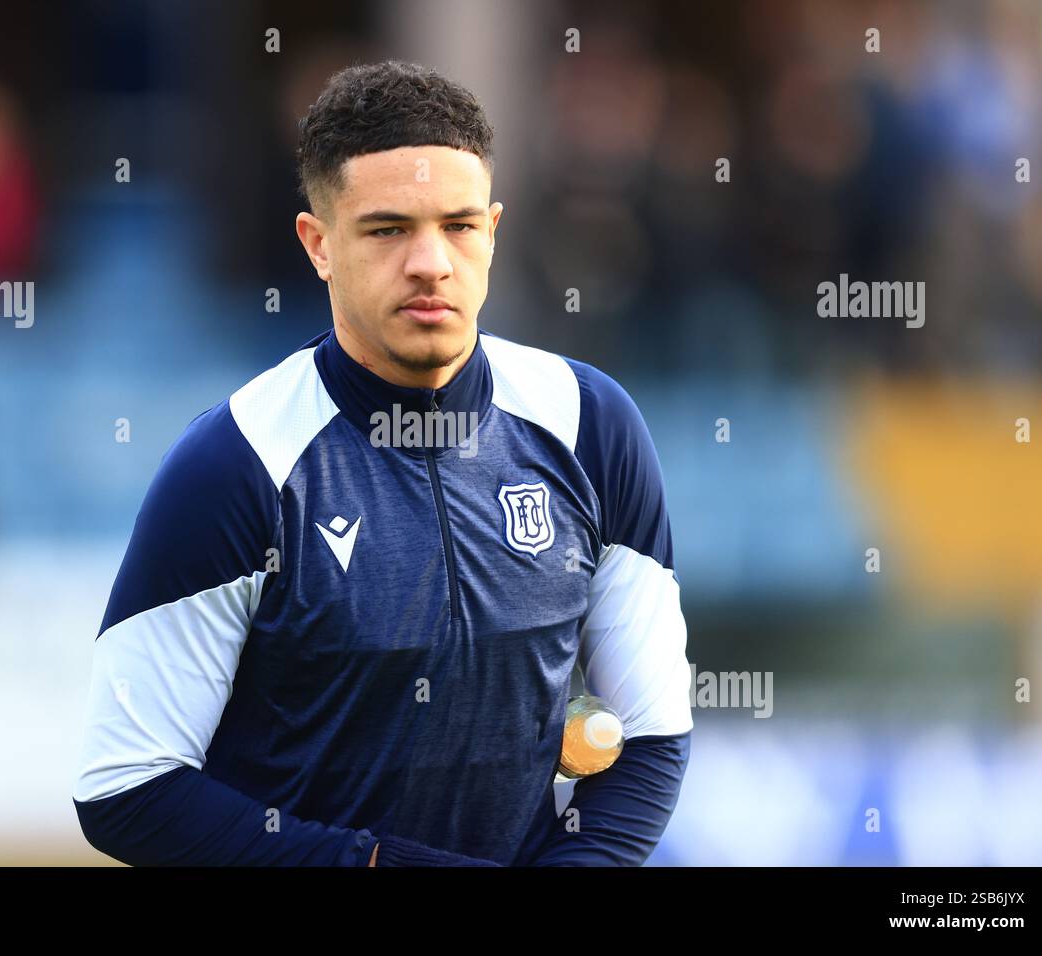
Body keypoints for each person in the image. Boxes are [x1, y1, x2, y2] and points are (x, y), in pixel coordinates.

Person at [73, 60, 692, 866]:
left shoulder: (592, 425)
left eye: (460, 226)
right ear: (318, 244)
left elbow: (651, 735)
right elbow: (125, 786)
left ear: (494, 232)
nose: (431, 262)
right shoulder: (234, 464)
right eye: (389, 228)